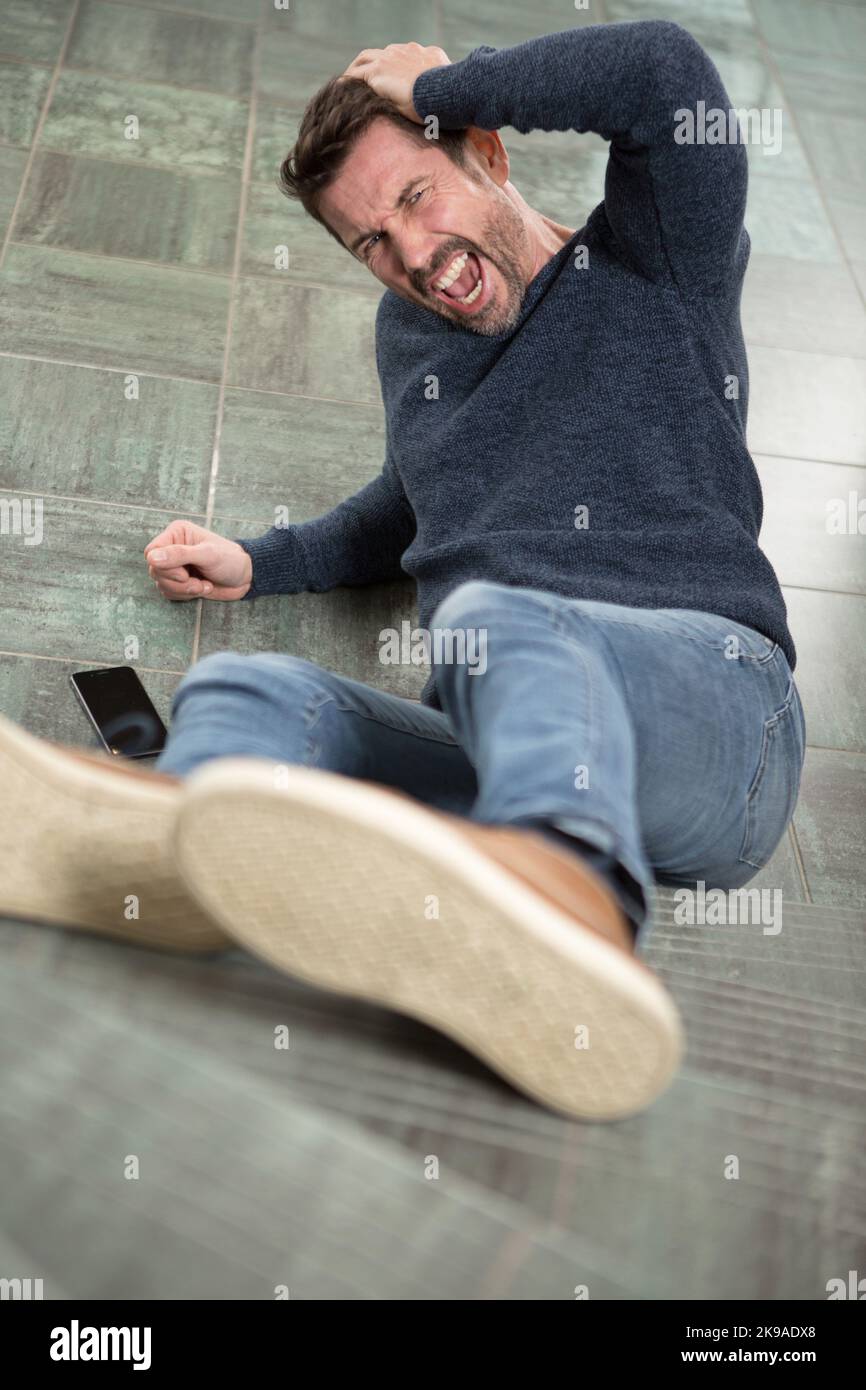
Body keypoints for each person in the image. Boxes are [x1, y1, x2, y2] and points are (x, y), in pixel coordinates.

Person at [0, 22, 805, 1120]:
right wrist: (262, 559)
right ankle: (173, 849)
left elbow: (665, 76)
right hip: (511, 730)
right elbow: (415, 500)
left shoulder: (657, 257)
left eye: (418, 197)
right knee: (248, 693)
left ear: (489, 152)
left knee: (502, 624)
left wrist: (437, 83)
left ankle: (566, 903)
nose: (411, 256)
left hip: (711, 714)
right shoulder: (412, 338)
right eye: (370, 240)